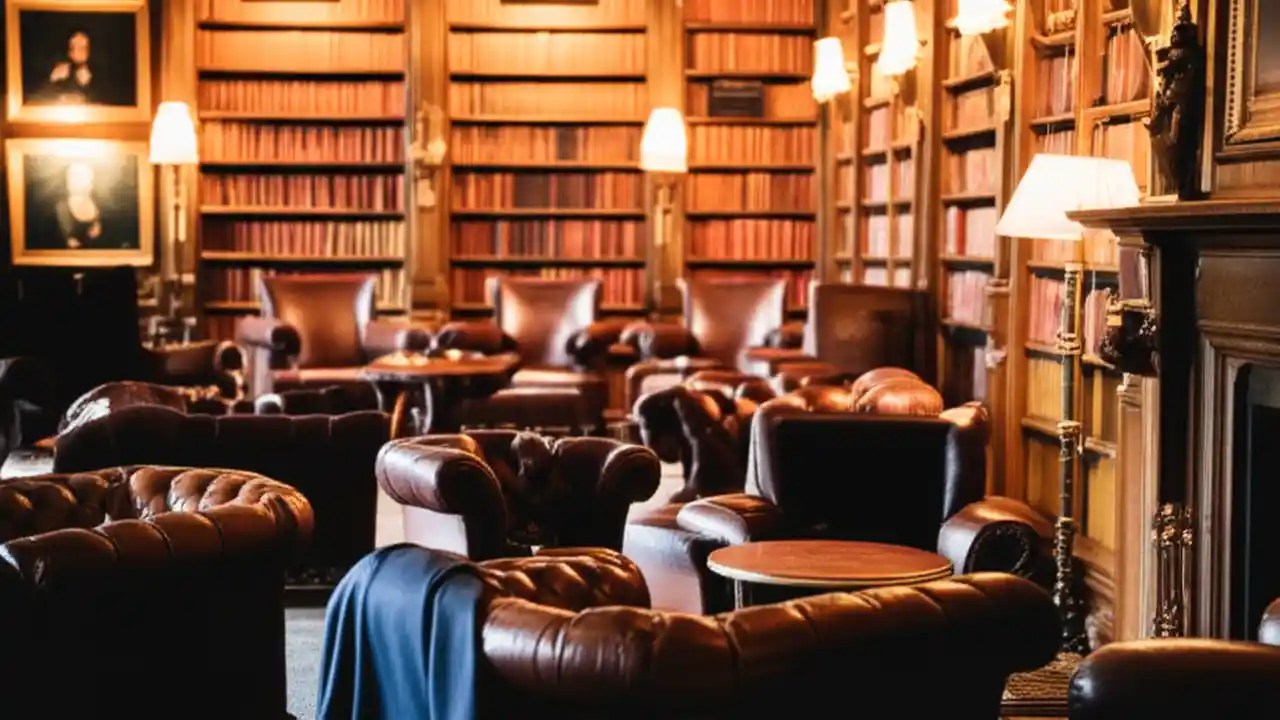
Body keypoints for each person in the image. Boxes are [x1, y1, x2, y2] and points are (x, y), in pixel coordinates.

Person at [55, 161, 103, 249]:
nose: (73, 180)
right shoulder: (61, 207)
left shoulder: (99, 202)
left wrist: (98, 226)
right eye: (72, 177)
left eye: (80, 177)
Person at [43, 30, 96, 104]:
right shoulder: (60, 72)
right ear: (70, 52)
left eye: (83, 48)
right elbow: (46, 96)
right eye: (75, 48)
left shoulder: (98, 76)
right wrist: (53, 80)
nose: (80, 52)